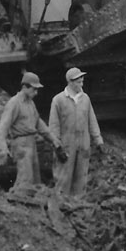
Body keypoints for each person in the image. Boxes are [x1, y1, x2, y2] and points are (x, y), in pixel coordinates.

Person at [0, 72, 65, 192]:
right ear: (25, 87)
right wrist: (3, 149)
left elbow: (38, 123)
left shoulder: (30, 103)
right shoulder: (14, 103)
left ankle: (32, 206)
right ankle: (18, 203)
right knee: (25, 179)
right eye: (34, 89)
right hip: (21, 144)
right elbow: (2, 128)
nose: (36, 93)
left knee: (34, 180)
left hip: (31, 143)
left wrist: (54, 140)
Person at [49, 66, 105, 198]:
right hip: (66, 146)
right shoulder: (58, 100)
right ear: (71, 82)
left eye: (82, 81)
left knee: (81, 179)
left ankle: (78, 209)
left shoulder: (85, 99)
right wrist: (57, 146)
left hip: (83, 145)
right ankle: (61, 208)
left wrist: (99, 140)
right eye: (79, 81)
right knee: (63, 179)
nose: (82, 84)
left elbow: (92, 121)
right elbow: (54, 126)